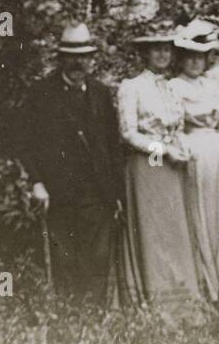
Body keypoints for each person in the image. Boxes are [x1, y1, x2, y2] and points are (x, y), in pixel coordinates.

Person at [15, 23, 126, 305]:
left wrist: (117, 194)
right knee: (65, 256)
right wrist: (37, 183)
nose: (78, 63)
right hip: (59, 191)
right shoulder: (41, 93)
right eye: (71, 56)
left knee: (98, 258)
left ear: (92, 59)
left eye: (84, 56)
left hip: (97, 193)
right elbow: (25, 143)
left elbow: (113, 146)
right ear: (61, 58)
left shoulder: (101, 94)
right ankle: (68, 316)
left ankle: (94, 316)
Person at [116, 26, 205, 304]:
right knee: (152, 228)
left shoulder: (171, 87)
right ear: (145, 53)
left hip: (173, 166)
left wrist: (182, 146)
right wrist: (164, 150)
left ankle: (180, 294)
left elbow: (177, 127)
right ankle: (155, 296)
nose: (163, 54)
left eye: (167, 49)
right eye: (156, 49)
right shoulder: (131, 87)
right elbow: (128, 133)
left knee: (174, 227)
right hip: (147, 164)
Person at [168, 27, 219, 299]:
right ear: (181, 59)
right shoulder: (174, 86)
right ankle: (205, 281)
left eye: (201, 56)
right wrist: (183, 148)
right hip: (194, 151)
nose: (196, 62)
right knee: (201, 211)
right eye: (190, 56)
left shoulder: (214, 85)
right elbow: (173, 127)